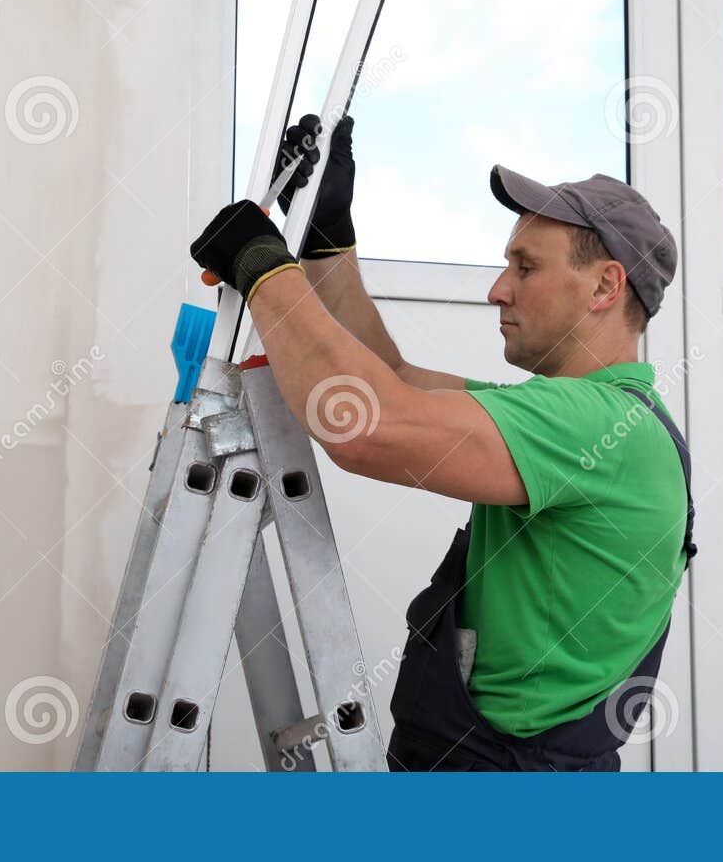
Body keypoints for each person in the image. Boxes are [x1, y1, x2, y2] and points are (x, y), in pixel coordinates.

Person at [190, 113, 694, 771]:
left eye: (525, 266)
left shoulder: (593, 426)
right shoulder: (584, 419)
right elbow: (391, 379)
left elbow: (364, 424)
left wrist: (262, 266)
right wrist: (324, 240)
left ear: (604, 285)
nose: (498, 289)